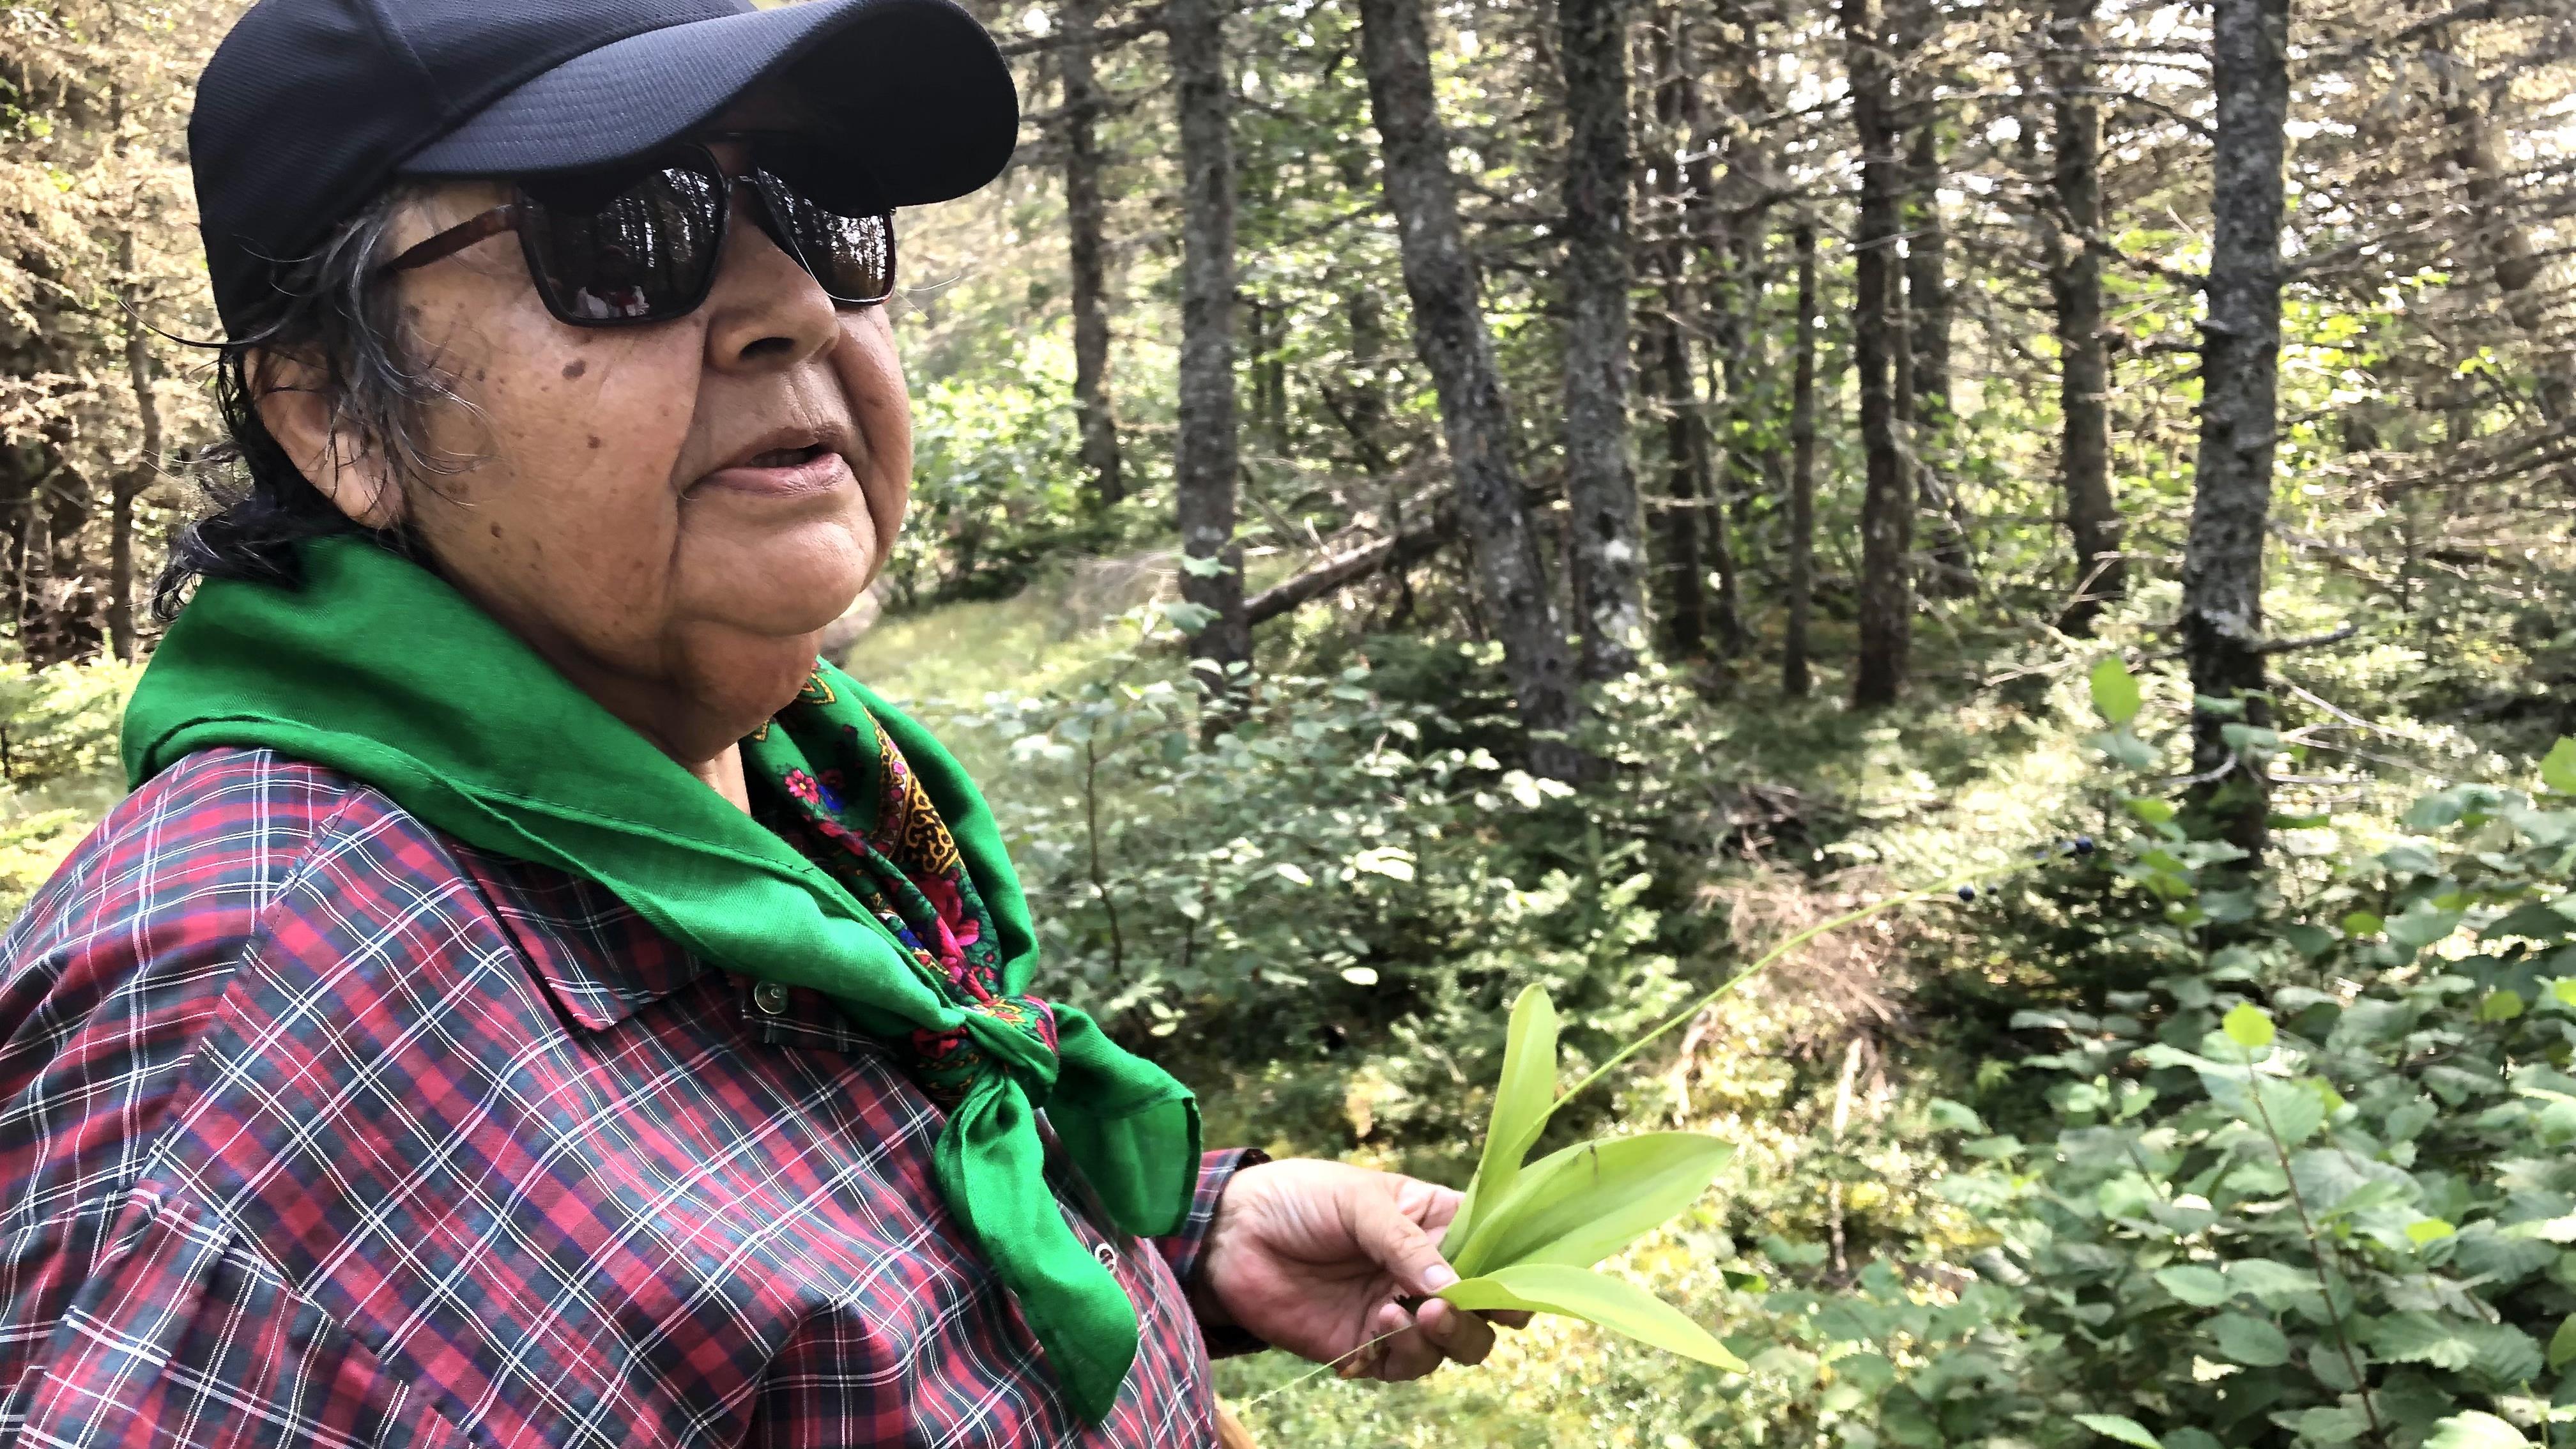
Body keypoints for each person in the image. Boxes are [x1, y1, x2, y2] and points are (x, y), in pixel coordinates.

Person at [0, 1, 1512, 1444]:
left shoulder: (803, 779)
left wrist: (1190, 1230)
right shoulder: (257, 1015)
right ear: (337, 415)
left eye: (821, 208)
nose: (792, 303)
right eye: (619, 234)